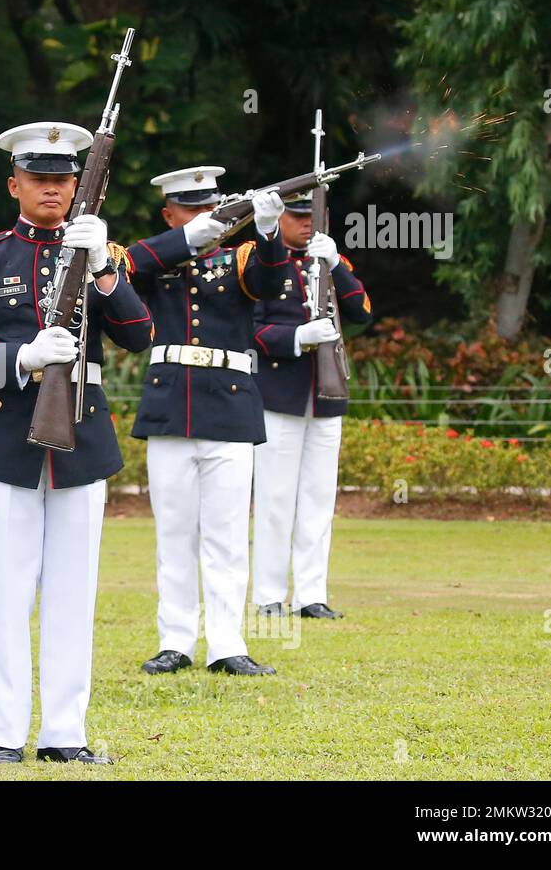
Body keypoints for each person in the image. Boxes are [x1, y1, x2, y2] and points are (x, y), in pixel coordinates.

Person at [0, 122, 152, 764]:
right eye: (39, 178)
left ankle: (66, 734)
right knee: (8, 590)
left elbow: (141, 335)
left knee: (73, 591)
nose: (53, 189)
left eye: (63, 179)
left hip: (83, 436)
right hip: (7, 438)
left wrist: (106, 271)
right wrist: (23, 357)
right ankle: (6, 734)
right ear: (15, 184)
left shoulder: (98, 252)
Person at [127, 166, 287, 677]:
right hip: (171, 406)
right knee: (174, 535)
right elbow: (125, 268)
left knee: (224, 535)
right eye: (190, 208)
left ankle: (227, 643)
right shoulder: (159, 258)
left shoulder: (239, 257)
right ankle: (175, 640)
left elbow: (271, 282)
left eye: (209, 206)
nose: (204, 216)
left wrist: (267, 232)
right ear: (169, 214)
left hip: (229, 406)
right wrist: (183, 240)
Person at [251, 193, 374, 619]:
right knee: (275, 498)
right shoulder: (262, 263)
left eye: (312, 217)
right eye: (297, 216)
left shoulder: (326, 259)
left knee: (319, 497)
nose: (306, 224)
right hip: (279, 393)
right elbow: (252, 329)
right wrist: (297, 338)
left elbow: (360, 311)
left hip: (325, 394)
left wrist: (337, 265)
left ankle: (311, 594)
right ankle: (268, 594)